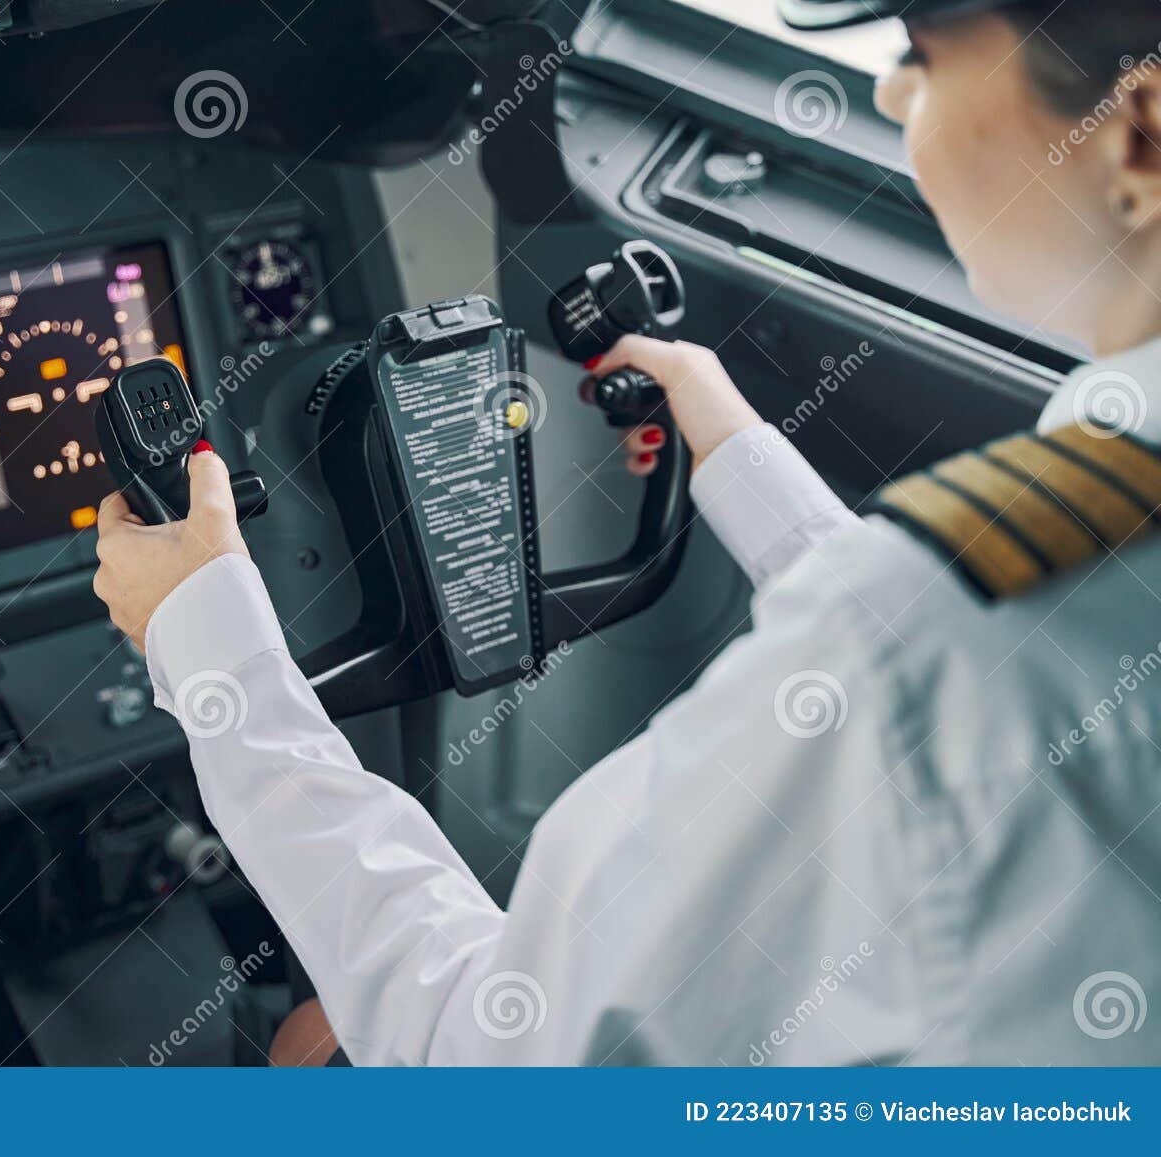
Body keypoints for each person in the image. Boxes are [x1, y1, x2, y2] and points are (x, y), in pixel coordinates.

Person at [93, 0, 1161, 1065]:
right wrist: (736, 452)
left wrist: (212, 648)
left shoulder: (909, 634)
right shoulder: (1018, 592)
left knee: (310, 1040)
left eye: (924, 56)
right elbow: (954, 657)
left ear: (1137, 132)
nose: (888, 90)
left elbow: (486, 1055)